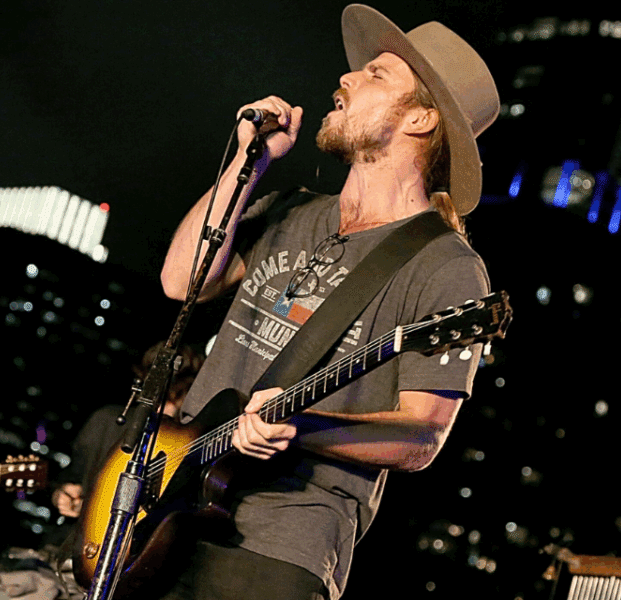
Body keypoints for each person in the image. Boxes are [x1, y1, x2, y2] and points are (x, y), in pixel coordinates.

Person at [158, 5, 498, 599]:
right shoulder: (292, 209)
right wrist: (248, 163)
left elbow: (420, 439)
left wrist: (301, 423)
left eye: (375, 75)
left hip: (279, 548)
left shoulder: (448, 268)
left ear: (420, 118)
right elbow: (181, 282)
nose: (346, 79)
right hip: (169, 511)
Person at [52, 342, 203, 522]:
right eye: (161, 394)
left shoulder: (193, 440)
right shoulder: (105, 421)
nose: (163, 407)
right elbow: (71, 476)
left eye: (176, 395)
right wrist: (61, 495)